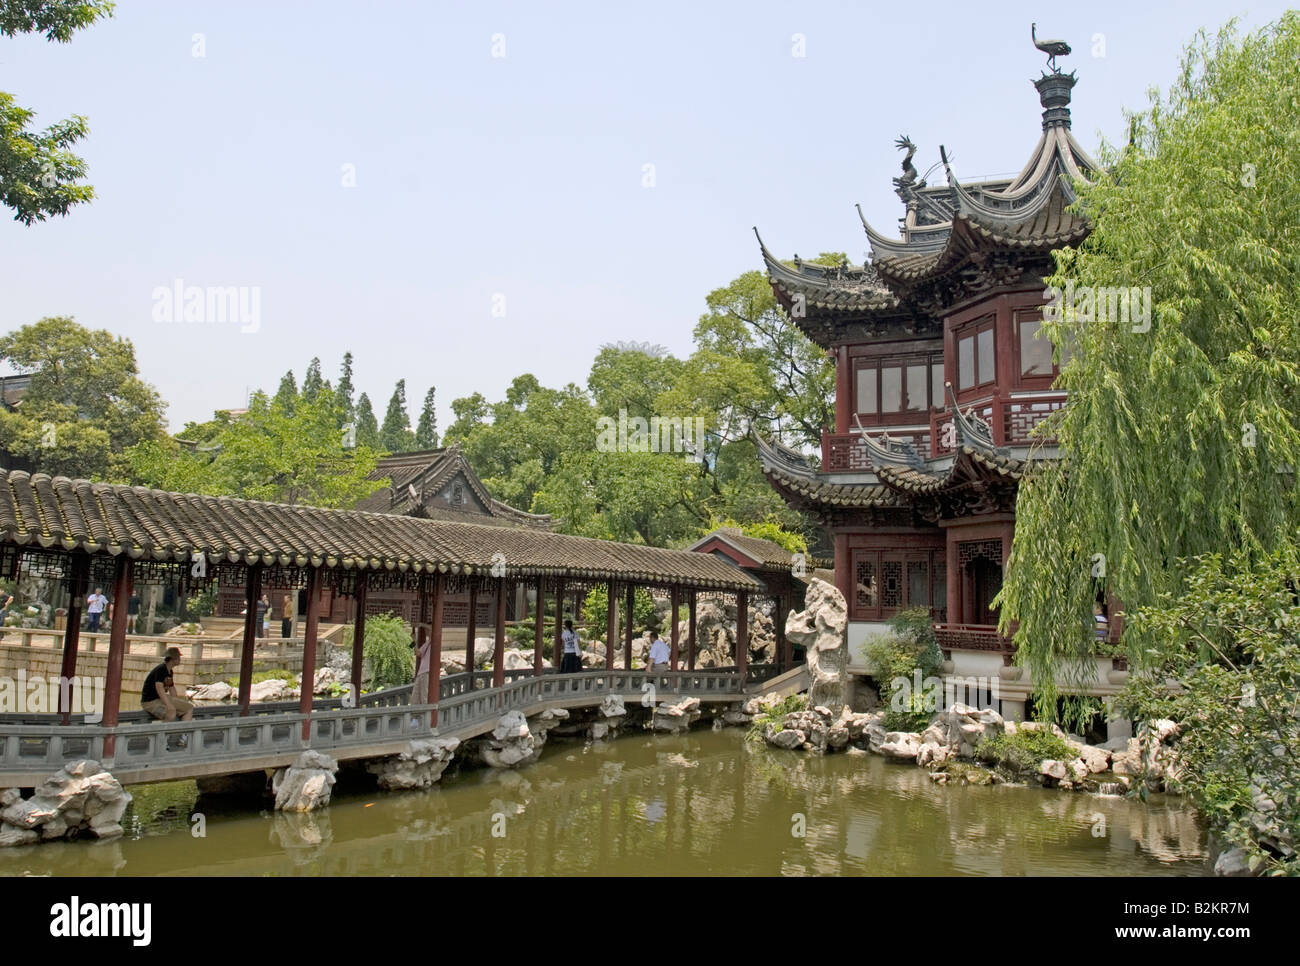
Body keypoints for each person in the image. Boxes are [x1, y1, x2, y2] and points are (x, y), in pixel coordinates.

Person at [141, 646, 194, 723]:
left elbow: (171, 688)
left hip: (160, 699)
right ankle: (162, 734)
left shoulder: (169, 671)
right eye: (178, 657)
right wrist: (169, 705)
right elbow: (159, 688)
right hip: (150, 701)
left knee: (188, 708)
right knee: (171, 712)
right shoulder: (161, 669)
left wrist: (177, 701)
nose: (180, 659)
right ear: (173, 659)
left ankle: (184, 734)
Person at [412, 630, 431, 705]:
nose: (427, 631)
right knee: (415, 697)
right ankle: (415, 715)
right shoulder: (427, 643)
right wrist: (414, 641)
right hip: (421, 672)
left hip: (427, 671)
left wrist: (421, 624)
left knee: (424, 696)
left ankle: (426, 715)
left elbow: (429, 627)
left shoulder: (435, 641)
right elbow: (417, 653)